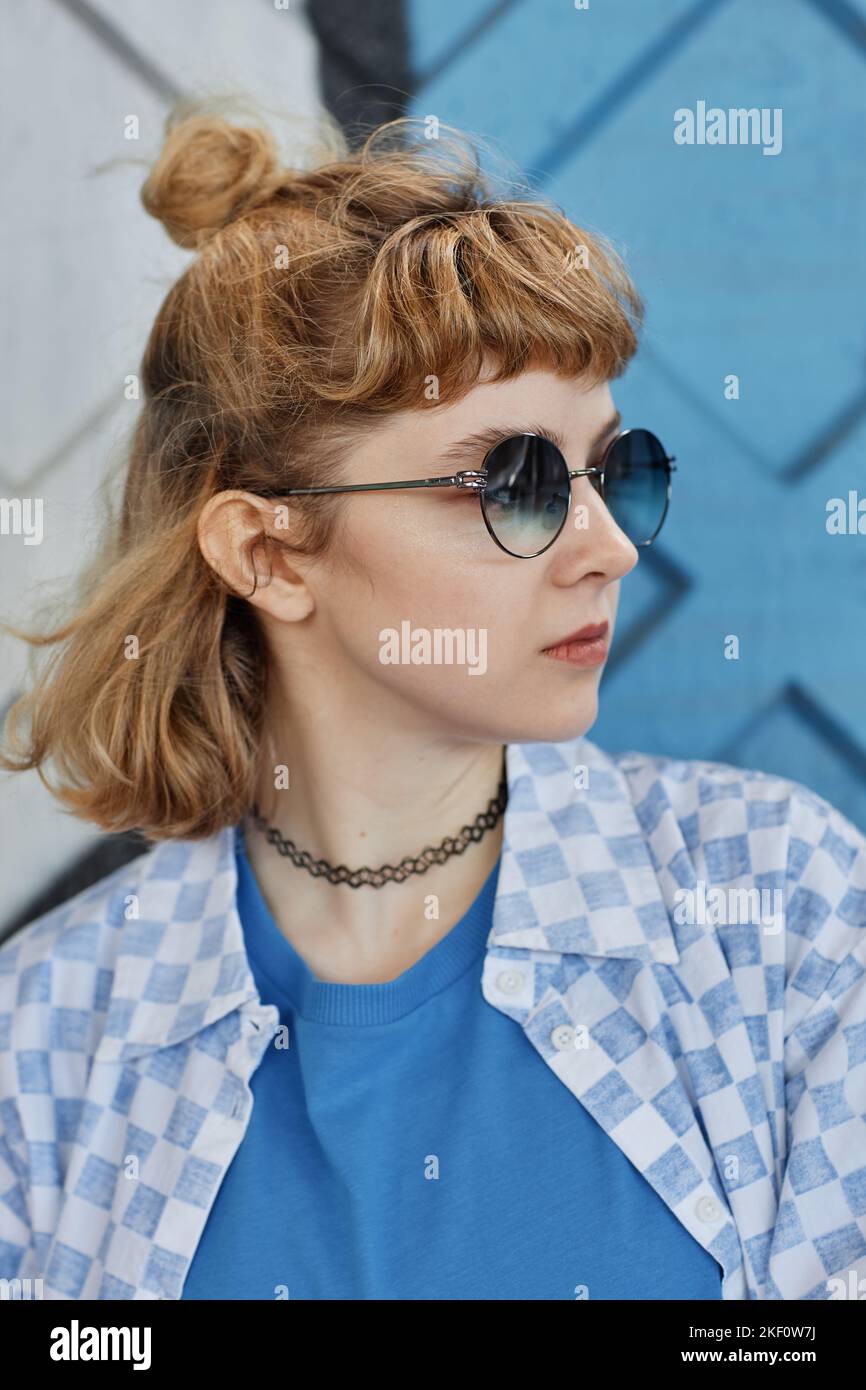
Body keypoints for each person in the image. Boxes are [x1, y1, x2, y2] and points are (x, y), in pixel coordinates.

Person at [1, 102, 864, 1303]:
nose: (608, 545)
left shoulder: (784, 919)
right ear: (270, 553)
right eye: (512, 481)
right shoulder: (43, 1044)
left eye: (616, 469)